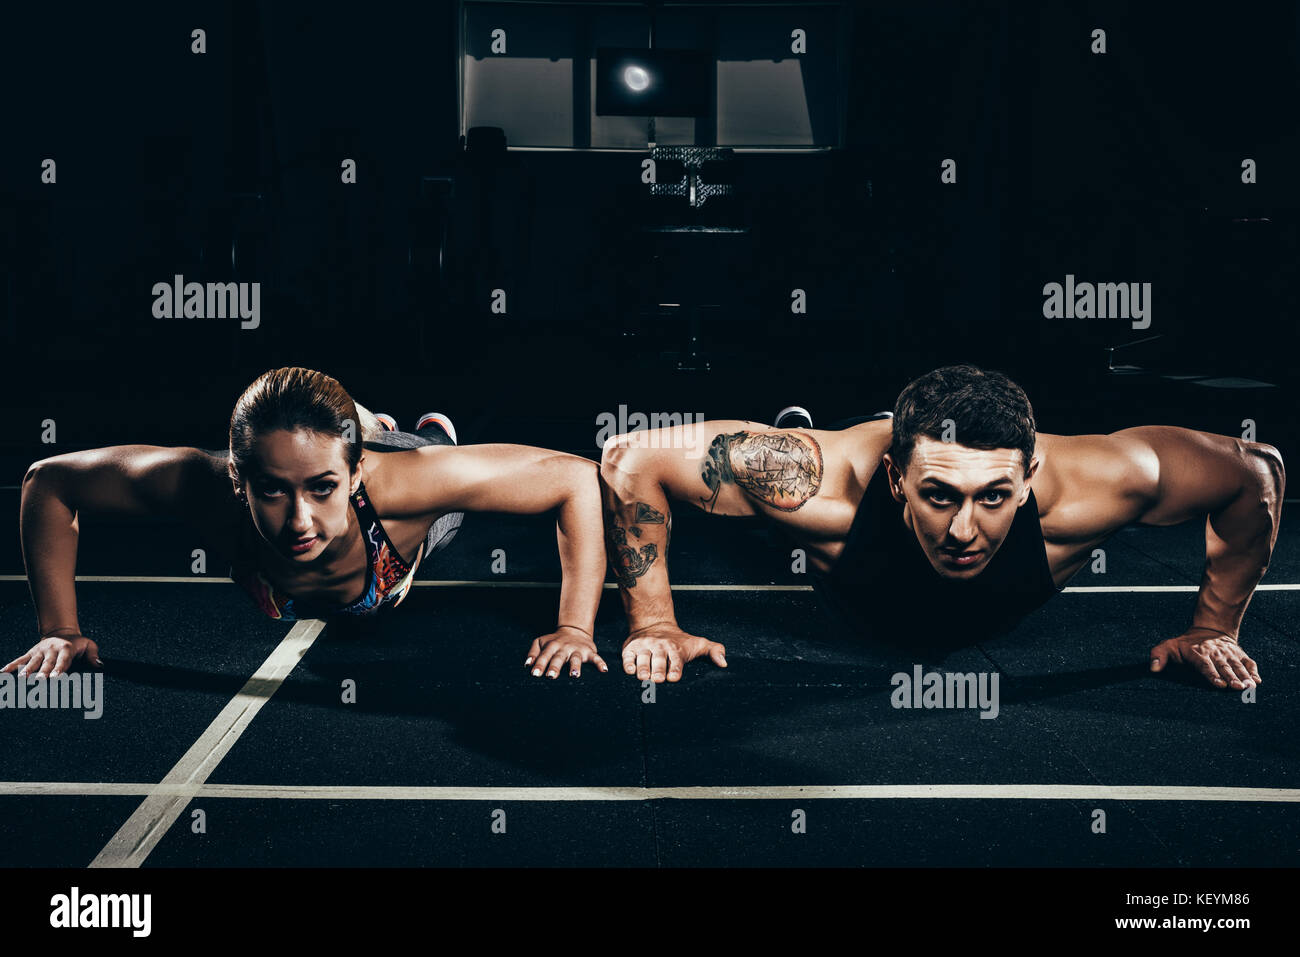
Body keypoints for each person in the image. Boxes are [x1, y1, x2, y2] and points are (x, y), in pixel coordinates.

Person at [599, 364, 1285, 689]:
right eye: (937, 494)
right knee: (771, 512)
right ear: (898, 479)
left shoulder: (1099, 484)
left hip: (977, 593)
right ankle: (800, 428)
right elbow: (633, 458)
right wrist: (654, 620)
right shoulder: (820, 485)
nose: (964, 529)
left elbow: (1255, 471)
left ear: (1030, 474)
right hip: (854, 580)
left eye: (993, 496)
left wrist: (1213, 628)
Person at [6, 367, 608, 681]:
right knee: (332, 456)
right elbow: (47, 481)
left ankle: (418, 432)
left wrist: (575, 628)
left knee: (437, 494)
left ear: (351, 479)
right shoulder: (200, 485)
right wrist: (59, 628)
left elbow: (576, 478)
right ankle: (363, 431)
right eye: (270, 490)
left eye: (321, 489)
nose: (299, 521)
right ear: (240, 480)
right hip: (348, 460)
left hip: (392, 539)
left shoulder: (406, 487)